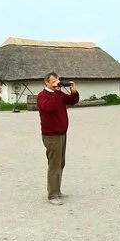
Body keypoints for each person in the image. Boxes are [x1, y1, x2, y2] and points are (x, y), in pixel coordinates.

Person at [36, 72, 79, 205]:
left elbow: (72, 101)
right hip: (51, 135)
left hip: (61, 133)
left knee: (60, 163)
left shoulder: (58, 94)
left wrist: (74, 92)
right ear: (47, 83)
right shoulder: (42, 96)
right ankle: (52, 195)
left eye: (58, 80)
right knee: (54, 164)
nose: (56, 82)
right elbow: (49, 107)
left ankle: (57, 190)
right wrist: (56, 92)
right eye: (53, 81)